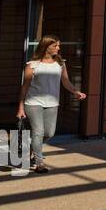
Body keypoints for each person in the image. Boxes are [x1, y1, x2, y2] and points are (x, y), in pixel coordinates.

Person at [17, 36, 87, 173]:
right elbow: (24, 87)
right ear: (46, 47)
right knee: (38, 132)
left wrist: (76, 91)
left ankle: (32, 149)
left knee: (49, 133)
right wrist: (20, 107)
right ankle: (39, 163)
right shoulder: (32, 65)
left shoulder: (60, 63)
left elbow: (66, 81)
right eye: (56, 46)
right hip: (33, 103)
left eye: (58, 46)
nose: (58, 48)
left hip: (52, 103)